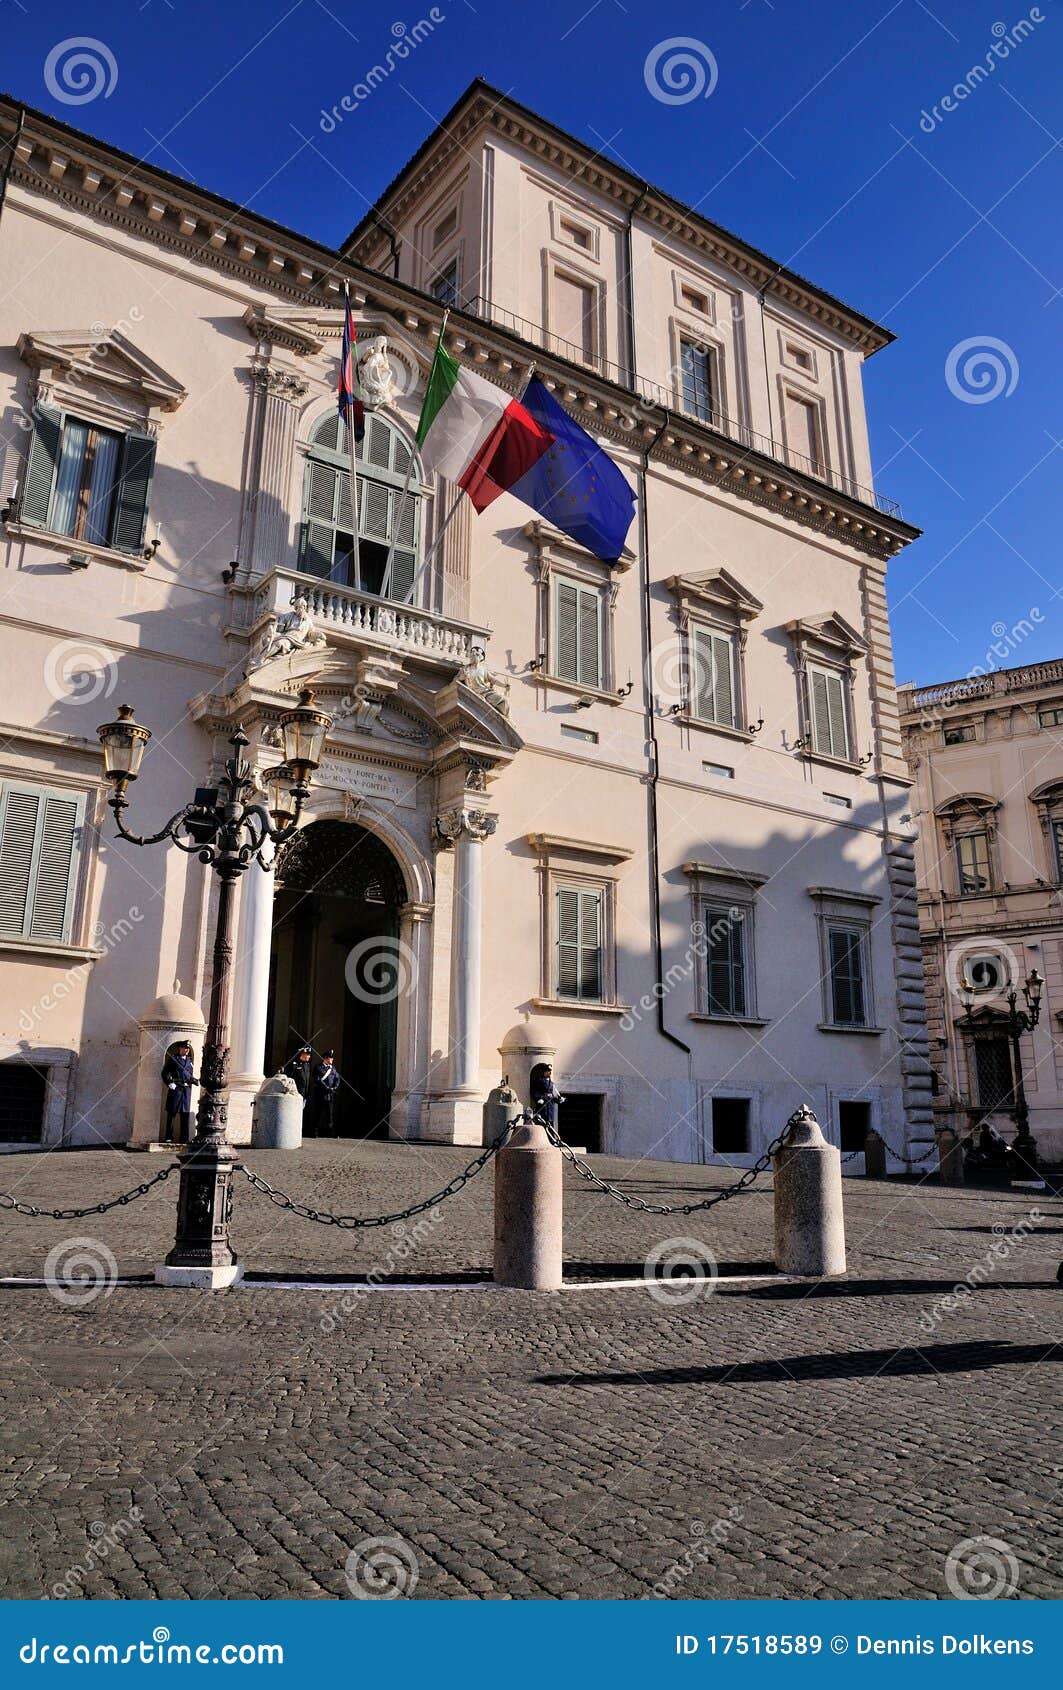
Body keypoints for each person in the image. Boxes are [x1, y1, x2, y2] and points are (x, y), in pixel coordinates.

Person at [160, 1040, 197, 1145]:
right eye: (185, 1048)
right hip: (177, 1088)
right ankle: (168, 1136)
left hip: (186, 1090)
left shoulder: (189, 1061)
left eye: (188, 1049)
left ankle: (184, 1137)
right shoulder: (173, 1059)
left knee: (185, 1114)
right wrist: (170, 1082)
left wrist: (194, 1080)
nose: (186, 1050)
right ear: (179, 1049)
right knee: (172, 1113)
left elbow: (188, 1075)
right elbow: (165, 1072)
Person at [310, 1050, 342, 1137]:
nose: (332, 1059)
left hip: (330, 1095)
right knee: (318, 1113)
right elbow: (317, 1079)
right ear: (325, 1058)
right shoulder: (318, 1067)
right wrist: (326, 1087)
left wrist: (335, 1087)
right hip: (320, 1094)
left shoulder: (333, 1068)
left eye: (332, 1058)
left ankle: (330, 1133)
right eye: (330, 1058)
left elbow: (337, 1078)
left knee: (330, 1114)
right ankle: (314, 1132)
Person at [283, 1046, 314, 1134]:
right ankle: (290, 1131)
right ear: (302, 1054)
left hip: (304, 1095)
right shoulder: (294, 1065)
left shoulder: (307, 1065)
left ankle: (297, 1131)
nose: (309, 1057)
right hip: (296, 1094)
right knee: (293, 1113)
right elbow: (289, 1079)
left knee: (300, 1114)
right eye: (307, 1054)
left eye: (309, 1055)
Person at [530, 1061, 564, 1130]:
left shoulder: (551, 1083)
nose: (550, 1073)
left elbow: (552, 1096)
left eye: (550, 1071)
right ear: (544, 1072)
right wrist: (538, 1098)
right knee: (542, 1123)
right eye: (548, 1071)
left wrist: (558, 1100)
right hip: (542, 1105)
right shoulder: (539, 1081)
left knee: (550, 1124)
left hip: (550, 1106)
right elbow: (534, 1091)